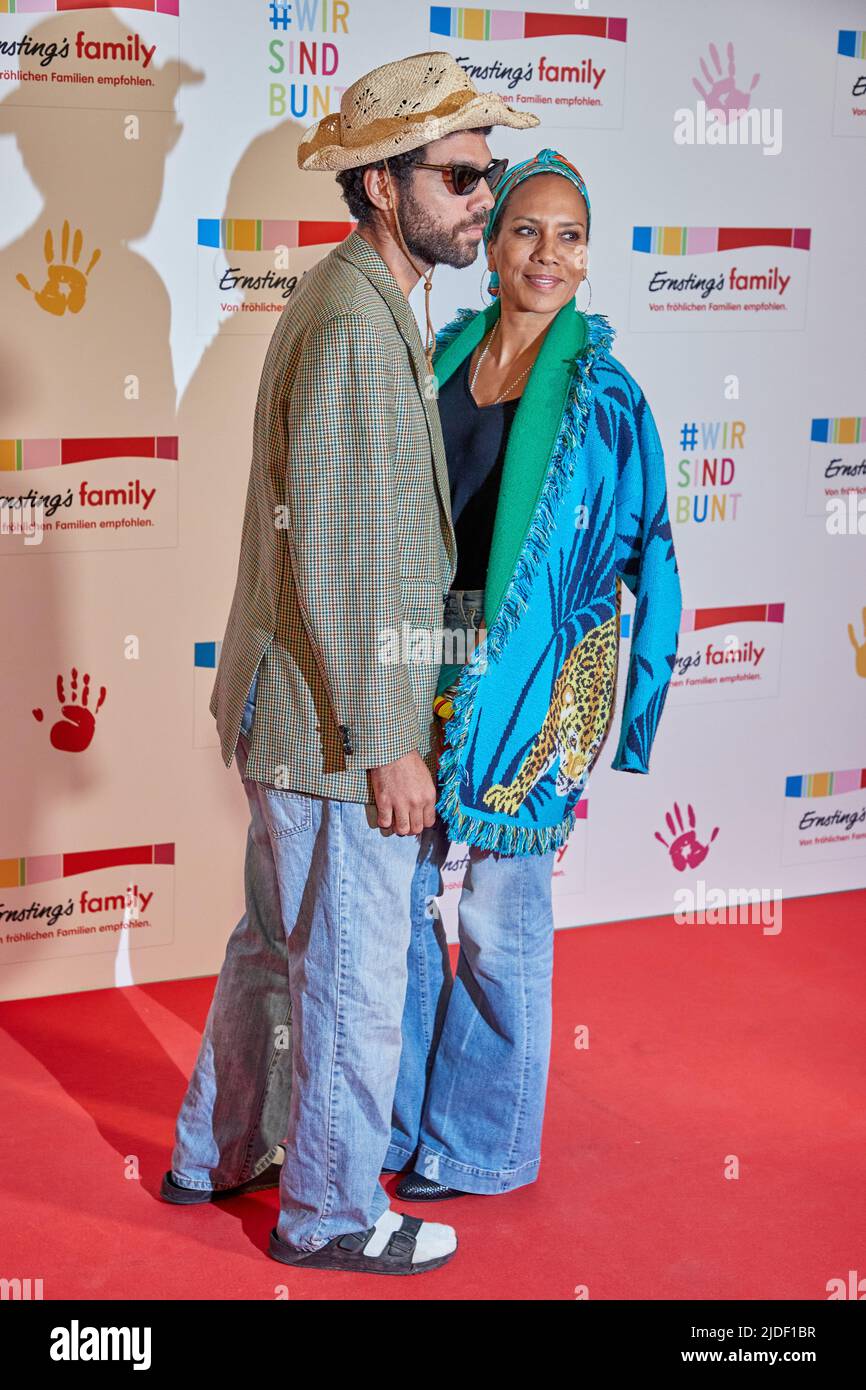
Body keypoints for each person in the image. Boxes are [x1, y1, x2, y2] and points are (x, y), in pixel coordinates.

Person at [159, 52, 539, 1276]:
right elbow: (335, 554)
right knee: (351, 970)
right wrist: (386, 740)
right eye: (461, 177)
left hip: (296, 716)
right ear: (381, 186)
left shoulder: (364, 303)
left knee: (274, 948)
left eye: (490, 176)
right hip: (331, 730)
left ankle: (215, 1152)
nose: (484, 200)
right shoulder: (351, 325)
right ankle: (327, 1211)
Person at [384, 148, 683, 1200]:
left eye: (568, 235)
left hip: (545, 680)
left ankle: (479, 1145)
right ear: (492, 244)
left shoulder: (605, 394)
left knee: (499, 923)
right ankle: (396, 1119)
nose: (546, 253)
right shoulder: (442, 351)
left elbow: (652, 550)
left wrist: (629, 708)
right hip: (430, 656)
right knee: (399, 902)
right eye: (525, 230)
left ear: (587, 254)